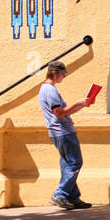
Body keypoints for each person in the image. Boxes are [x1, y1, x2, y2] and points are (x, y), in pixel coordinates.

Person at [39, 59, 96, 209]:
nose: (63, 77)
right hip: (63, 132)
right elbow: (58, 113)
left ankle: (73, 197)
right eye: (62, 74)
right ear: (54, 73)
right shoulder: (50, 90)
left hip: (58, 132)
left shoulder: (45, 89)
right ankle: (60, 194)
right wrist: (78, 103)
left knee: (67, 165)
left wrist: (82, 105)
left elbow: (63, 112)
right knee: (75, 163)